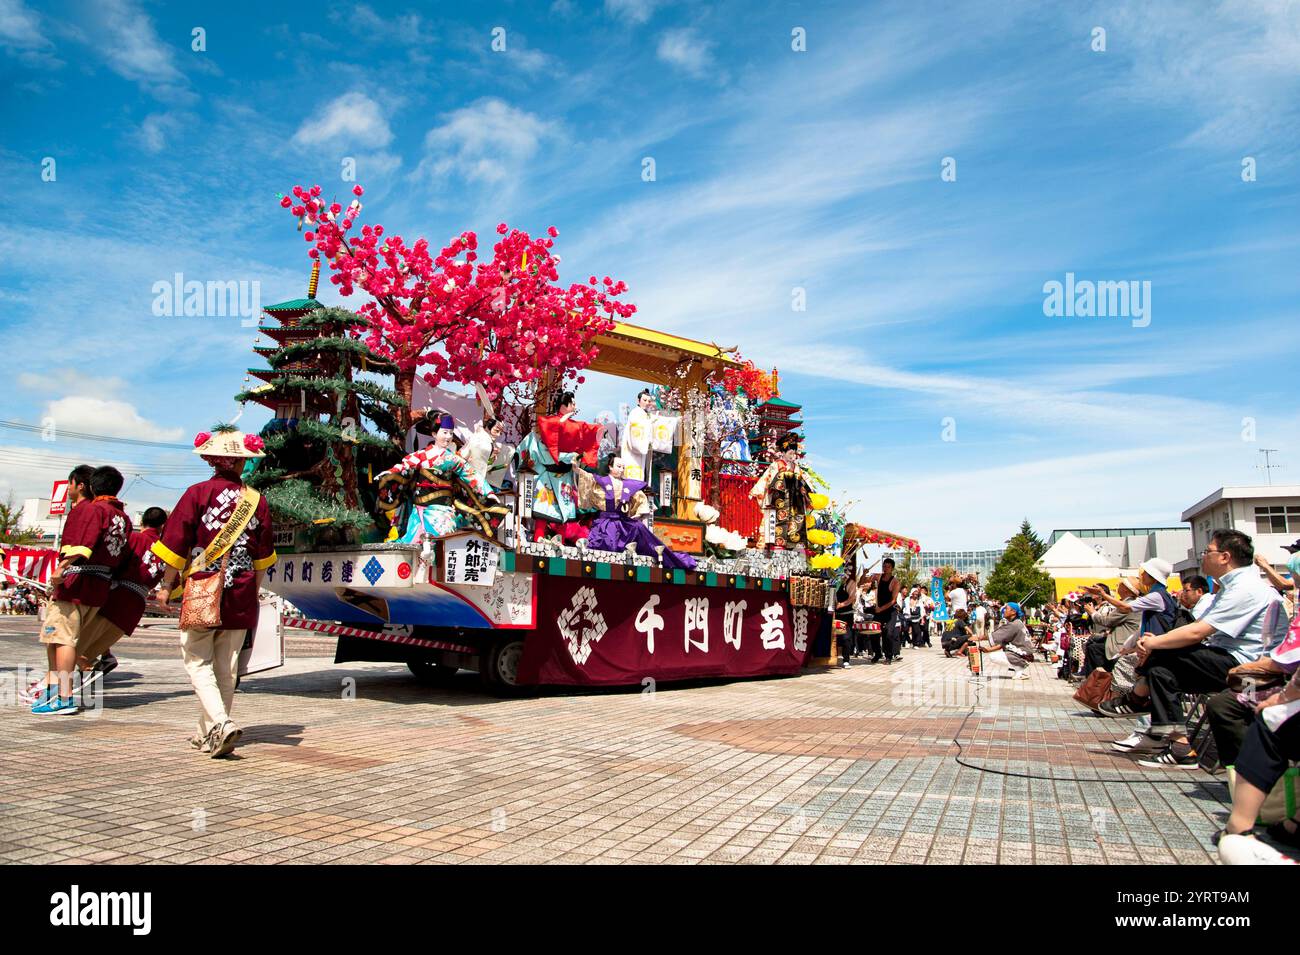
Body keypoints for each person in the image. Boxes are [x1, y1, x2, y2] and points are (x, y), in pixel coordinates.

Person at [1102, 530, 1287, 769]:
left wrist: (1154, 643)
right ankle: (1180, 747)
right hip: (1229, 660)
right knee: (1161, 672)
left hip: (1249, 669)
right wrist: (1154, 641)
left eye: (1207, 551)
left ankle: (1137, 698)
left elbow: (1198, 632)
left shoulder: (1246, 588)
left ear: (1225, 557)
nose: (1203, 556)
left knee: (1162, 653)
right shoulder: (1231, 588)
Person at [153, 429, 277, 757]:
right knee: (228, 665)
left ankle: (220, 722)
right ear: (241, 463)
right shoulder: (256, 500)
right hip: (242, 586)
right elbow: (263, 556)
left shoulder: (197, 493)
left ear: (211, 459)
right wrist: (253, 590)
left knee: (196, 659)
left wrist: (166, 585)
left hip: (204, 583)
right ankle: (206, 733)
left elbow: (175, 544)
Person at [31, 466, 131, 715]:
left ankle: (63, 696)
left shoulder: (93, 510)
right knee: (56, 638)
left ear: (85, 485)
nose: (69, 488)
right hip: (99, 586)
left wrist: (61, 569)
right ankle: (52, 691)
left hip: (78, 583)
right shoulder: (123, 517)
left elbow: (83, 545)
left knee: (62, 638)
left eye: (70, 483)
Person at [74, 506, 167, 695]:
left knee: (74, 648)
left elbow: (113, 559)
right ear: (162, 526)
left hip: (116, 596)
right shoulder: (165, 550)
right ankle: (76, 681)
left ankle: (54, 690)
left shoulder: (134, 538)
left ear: (142, 523)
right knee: (88, 651)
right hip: (135, 605)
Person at [1214, 663, 1300, 864]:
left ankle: (1239, 827)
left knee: (1269, 719)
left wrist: (1282, 697)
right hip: (1258, 676)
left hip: (1258, 672)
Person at [380, 412, 503, 542]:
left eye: (450, 433)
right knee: (416, 545)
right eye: (444, 432)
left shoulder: (454, 459)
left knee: (440, 546)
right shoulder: (421, 455)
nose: (448, 437)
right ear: (434, 434)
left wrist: (488, 492)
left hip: (443, 514)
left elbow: (471, 474)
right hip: (420, 511)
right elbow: (404, 466)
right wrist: (389, 473)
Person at [749, 432, 813, 551]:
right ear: (783, 452)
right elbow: (768, 479)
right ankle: (776, 545)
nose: (793, 456)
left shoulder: (796, 468)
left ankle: (794, 546)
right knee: (778, 522)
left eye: (794, 454)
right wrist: (758, 491)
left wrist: (809, 490)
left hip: (795, 500)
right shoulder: (776, 465)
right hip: (780, 498)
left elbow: (805, 481)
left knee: (795, 523)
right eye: (790, 453)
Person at [974, 602, 1034, 679]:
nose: (1004, 610)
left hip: (1023, 655)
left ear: (1013, 612)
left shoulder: (1013, 625)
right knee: (994, 654)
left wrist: (977, 637)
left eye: (1006, 609)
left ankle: (1020, 668)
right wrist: (988, 649)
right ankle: (1019, 671)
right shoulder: (1017, 622)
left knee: (993, 657)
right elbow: (1004, 643)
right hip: (1026, 654)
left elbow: (995, 636)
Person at [871, 558, 902, 664]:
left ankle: (889, 656)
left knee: (888, 632)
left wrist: (880, 608)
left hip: (890, 611)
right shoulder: (878, 577)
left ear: (892, 568)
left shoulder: (895, 582)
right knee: (873, 631)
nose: (885, 568)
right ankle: (877, 653)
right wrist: (864, 574)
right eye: (884, 566)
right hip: (879, 610)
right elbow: (862, 582)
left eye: (888, 567)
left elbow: (893, 600)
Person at [834, 573, 858, 667]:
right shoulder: (833, 581)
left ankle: (846, 659)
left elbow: (852, 598)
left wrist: (842, 604)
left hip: (846, 614)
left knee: (846, 637)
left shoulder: (850, 583)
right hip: (834, 614)